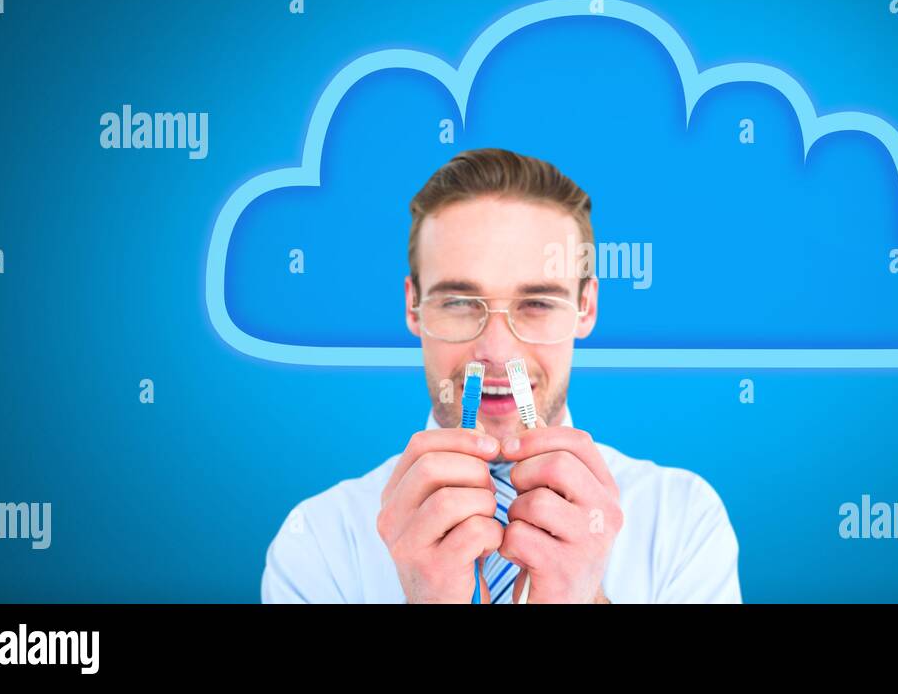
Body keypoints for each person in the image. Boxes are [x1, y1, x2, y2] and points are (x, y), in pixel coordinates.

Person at [261, 148, 741, 603]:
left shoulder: (682, 521)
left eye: (536, 303)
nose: (496, 351)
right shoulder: (319, 541)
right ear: (413, 306)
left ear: (585, 307)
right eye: (460, 303)